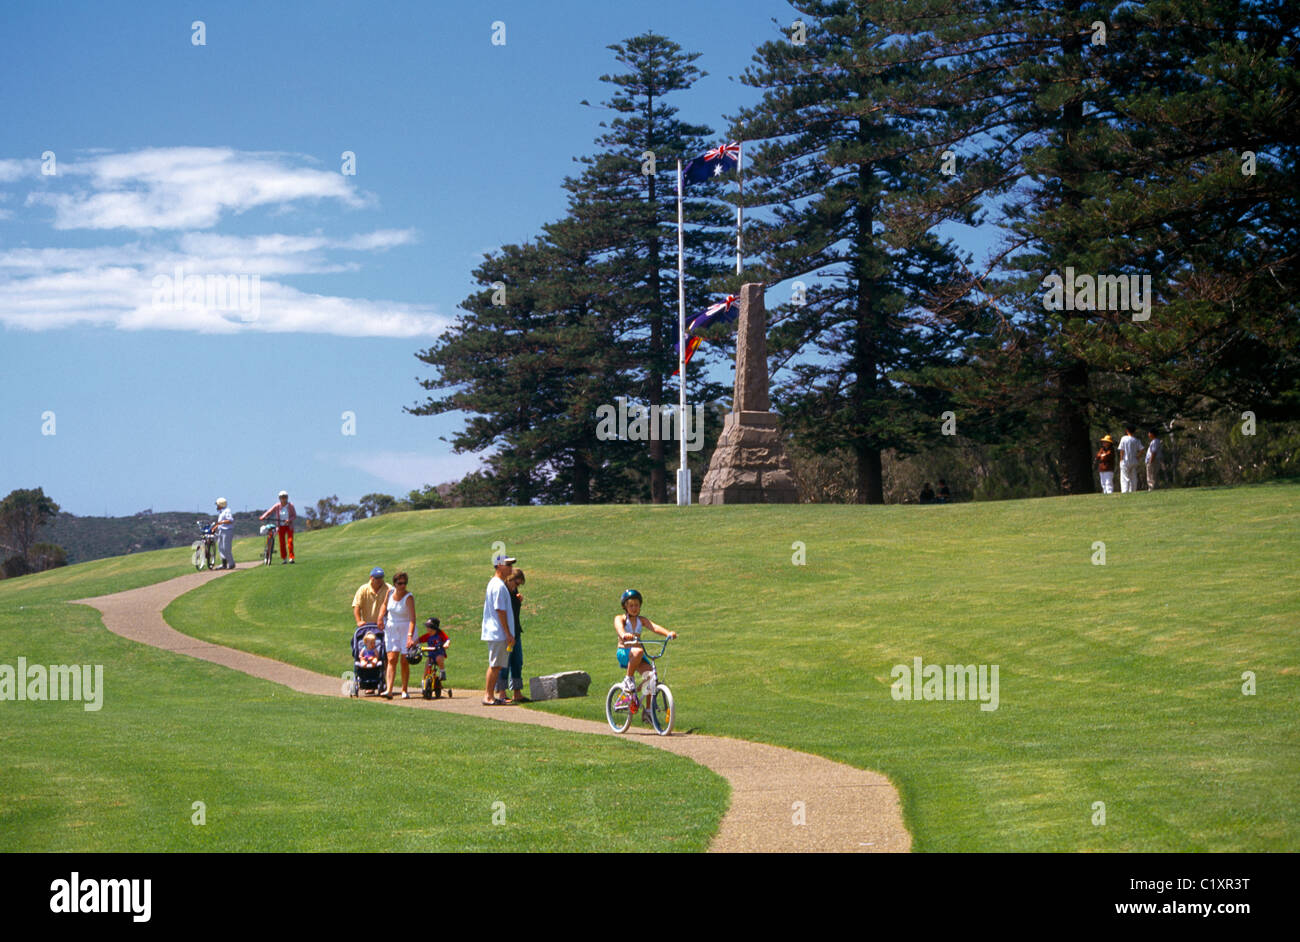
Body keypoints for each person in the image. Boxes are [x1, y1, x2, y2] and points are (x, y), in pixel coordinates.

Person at [615, 589, 677, 698]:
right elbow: (619, 628)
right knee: (639, 651)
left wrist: (668, 633)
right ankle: (628, 679)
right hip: (624, 653)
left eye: (637, 605)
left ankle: (648, 711)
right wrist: (624, 634)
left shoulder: (641, 620)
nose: (634, 608)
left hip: (637, 655)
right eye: (631, 606)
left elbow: (654, 627)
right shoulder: (621, 619)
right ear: (625, 607)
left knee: (651, 678)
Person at [480, 555, 517, 706]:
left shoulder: (498, 584)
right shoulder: (498, 585)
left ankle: (491, 695)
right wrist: (508, 633)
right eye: (507, 565)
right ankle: (488, 696)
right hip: (497, 632)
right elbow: (500, 610)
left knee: (497, 665)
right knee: (495, 665)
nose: (510, 568)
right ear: (499, 566)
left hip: (497, 632)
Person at [376, 571, 416, 699]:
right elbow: (384, 605)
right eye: (400, 583)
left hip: (405, 628)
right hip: (392, 628)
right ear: (395, 584)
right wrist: (380, 617)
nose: (402, 586)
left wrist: (410, 636)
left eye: (404, 583)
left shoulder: (408, 597)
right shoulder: (390, 592)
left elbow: (412, 619)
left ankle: (404, 689)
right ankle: (389, 689)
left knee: (404, 661)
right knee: (392, 658)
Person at [495, 569, 527, 703]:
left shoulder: (513, 593)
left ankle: (517, 693)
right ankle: (502, 693)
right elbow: (501, 613)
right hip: (506, 633)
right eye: (517, 583)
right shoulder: (503, 591)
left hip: (516, 632)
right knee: (504, 663)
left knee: (517, 662)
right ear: (510, 579)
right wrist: (507, 633)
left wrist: (519, 600)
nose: (517, 587)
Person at [258, 490, 296, 563]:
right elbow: (269, 511)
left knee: (290, 542)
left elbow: (294, 516)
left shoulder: (291, 506)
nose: (283, 499)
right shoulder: (277, 506)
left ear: (287, 498)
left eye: (284, 497)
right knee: (282, 543)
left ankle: (291, 557)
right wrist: (263, 516)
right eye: (282, 497)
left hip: (289, 526)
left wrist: (289, 520)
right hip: (281, 526)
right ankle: (284, 558)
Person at [416, 616, 450, 683]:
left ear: (433, 628)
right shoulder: (427, 636)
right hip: (431, 655)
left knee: (439, 659)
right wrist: (413, 644)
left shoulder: (440, 634)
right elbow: (419, 640)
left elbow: (447, 639)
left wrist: (446, 644)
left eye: (428, 626)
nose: (427, 628)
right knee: (427, 665)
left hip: (439, 653)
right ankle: (424, 680)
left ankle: (442, 672)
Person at [1118, 426, 1143, 493]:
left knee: (1124, 477)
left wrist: (1121, 459)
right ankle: (1133, 490)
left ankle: (1125, 491)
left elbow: (1122, 450)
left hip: (1125, 461)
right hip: (1134, 460)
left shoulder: (1123, 438)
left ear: (1127, 430)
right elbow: (1142, 449)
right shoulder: (1136, 440)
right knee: (1133, 477)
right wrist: (1138, 457)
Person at [213, 497, 235, 569]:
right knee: (220, 547)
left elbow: (230, 520)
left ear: (221, 505)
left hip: (227, 531)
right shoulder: (221, 512)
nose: (217, 506)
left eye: (218, 505)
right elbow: (219, 523)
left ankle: (231, 563)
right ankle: (224, 564)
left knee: (226, 548)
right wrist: (215, 527)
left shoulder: (227, 511)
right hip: (221, 531)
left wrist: (221, 522)